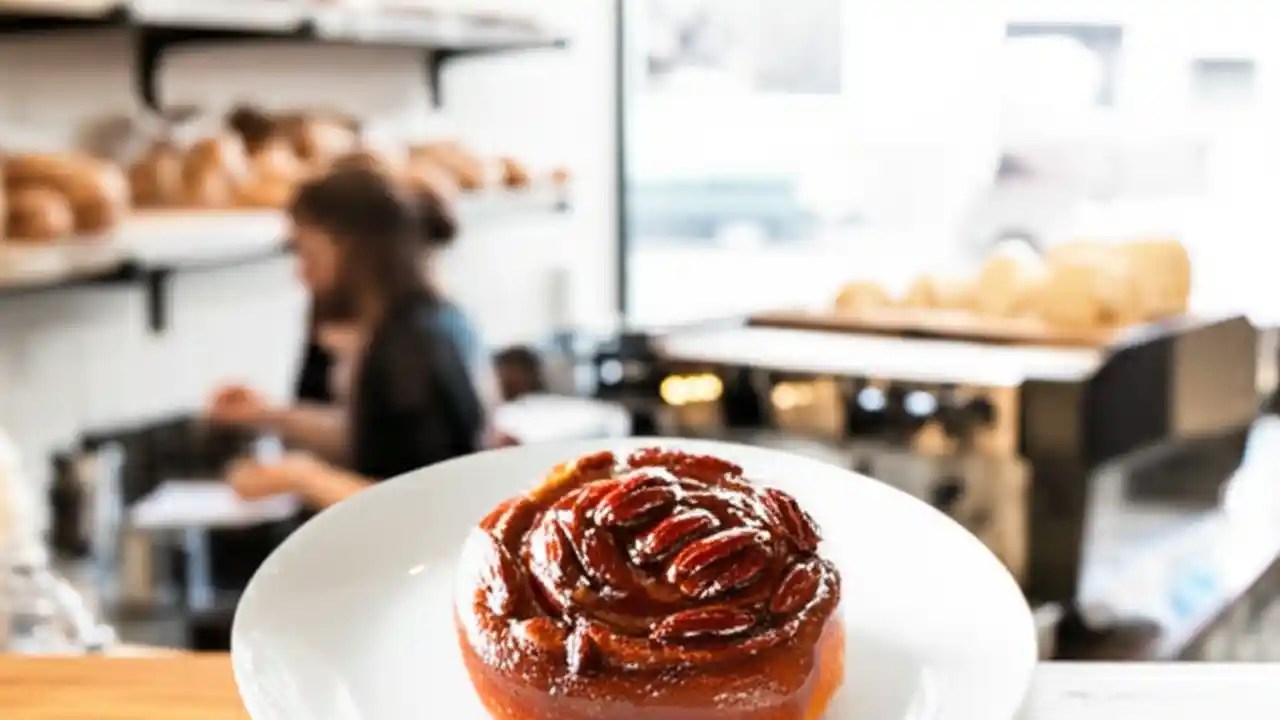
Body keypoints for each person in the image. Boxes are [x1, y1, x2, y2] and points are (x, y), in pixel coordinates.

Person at [207, 167, 485, 509]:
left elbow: (420, 506)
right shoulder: (415, 324)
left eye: (309, 254)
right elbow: (376, 440)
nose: (301, 274)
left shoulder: (411, 349)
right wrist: (267, 414)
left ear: (354, 251)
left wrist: (301, 477)